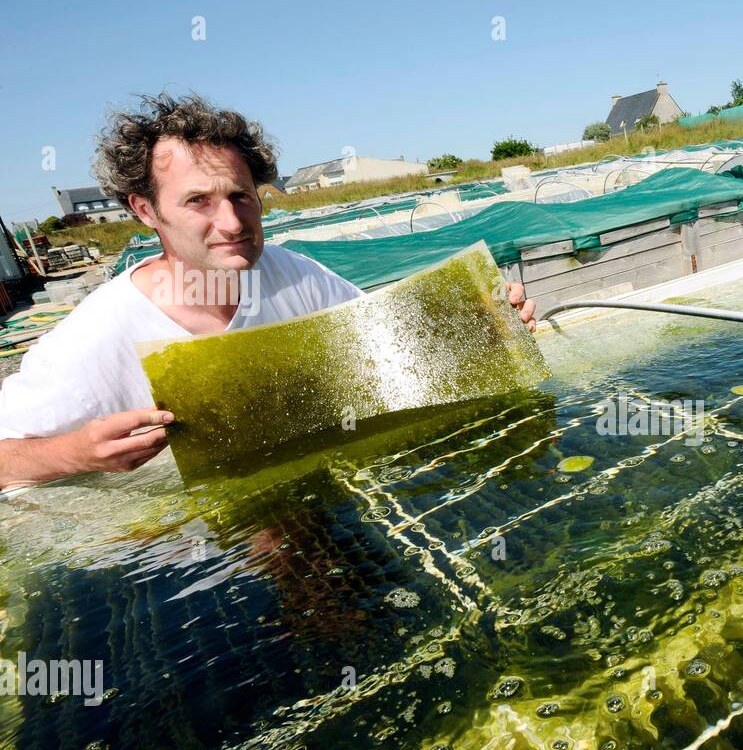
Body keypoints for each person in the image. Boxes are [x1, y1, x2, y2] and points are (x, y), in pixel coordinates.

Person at [0, 93, 536, 490]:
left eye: (241, 195)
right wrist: (74, 453)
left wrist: (485, 323)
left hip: (315, 503)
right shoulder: (97, 338)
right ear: (146, 211)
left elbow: (390, 352)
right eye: (198, 202)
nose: (232, 221)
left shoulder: (292, 276)